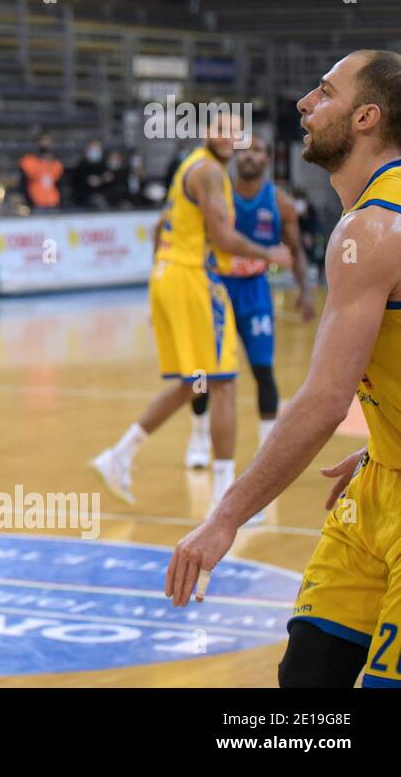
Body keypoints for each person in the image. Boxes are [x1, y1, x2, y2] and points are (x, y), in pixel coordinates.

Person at [165, 50, 401, 690]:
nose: (304, 103)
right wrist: (385, 443)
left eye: (324, 92)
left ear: (365, 118)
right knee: (306, 678)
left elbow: (325, 400)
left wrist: (225, 517)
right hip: (379, 481)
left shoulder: (375, 229)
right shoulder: (372, 217)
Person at [89, 111, 293, 510]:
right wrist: (269, 253)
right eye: (221, 130)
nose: (228, 137)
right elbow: (224, 237)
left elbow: (160, 227)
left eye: (234, 132)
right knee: (224, 384)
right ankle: (224, 497)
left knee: (193, 383)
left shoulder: (190, 166)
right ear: (206, 132)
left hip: (168, 275)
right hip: (193, 277)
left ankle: (119, 455)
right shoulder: (210, 172)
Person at [185, 133, 316, 476]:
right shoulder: (217, 194)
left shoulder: (280, 203)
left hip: (255, 290)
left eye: (256, 150)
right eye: (243, 150)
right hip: (216, 287)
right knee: (202, 371)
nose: (248, 156)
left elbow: (296, 251)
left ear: (267, 159)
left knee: (263, 370)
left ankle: (266, 450)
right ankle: (198, 434)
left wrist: (305, 291)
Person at [18, 132, 63, 210]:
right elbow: (24, 183)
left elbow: (58, 183)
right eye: (43, 141)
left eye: (48, 141)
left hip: (53, 201)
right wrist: (28, 201)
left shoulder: (56, 163)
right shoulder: (28, 161)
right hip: (36, 202)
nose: (46, 144)